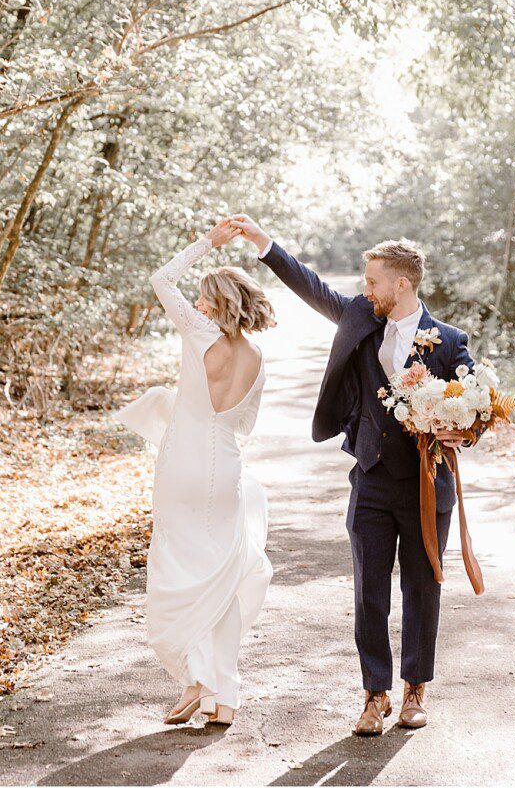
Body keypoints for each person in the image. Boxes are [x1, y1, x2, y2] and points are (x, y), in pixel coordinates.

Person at [227, 214, 474, 736]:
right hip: (370, 478)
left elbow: (476, 407)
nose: (366, 290)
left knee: (422, 589)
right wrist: (263, 242)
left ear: (401, 284)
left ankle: (415, 690)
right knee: (369, 592)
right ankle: (374, 694)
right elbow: (311, 286)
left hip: (427, 487)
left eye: (373, 281)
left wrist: (463, 433)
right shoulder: (361, 317)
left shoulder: (450, 341)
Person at [118, 217, 277, 727]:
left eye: (205, 298)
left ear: (217, 302)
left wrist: (209, 242)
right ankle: (221, 697)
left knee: (176, 570)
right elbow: (244, 425)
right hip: (224, 470)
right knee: (221, 581)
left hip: (182, 463)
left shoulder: (198, 334)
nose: (200, 305)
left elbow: (161, 278)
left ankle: (194, 676)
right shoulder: (257, 358)